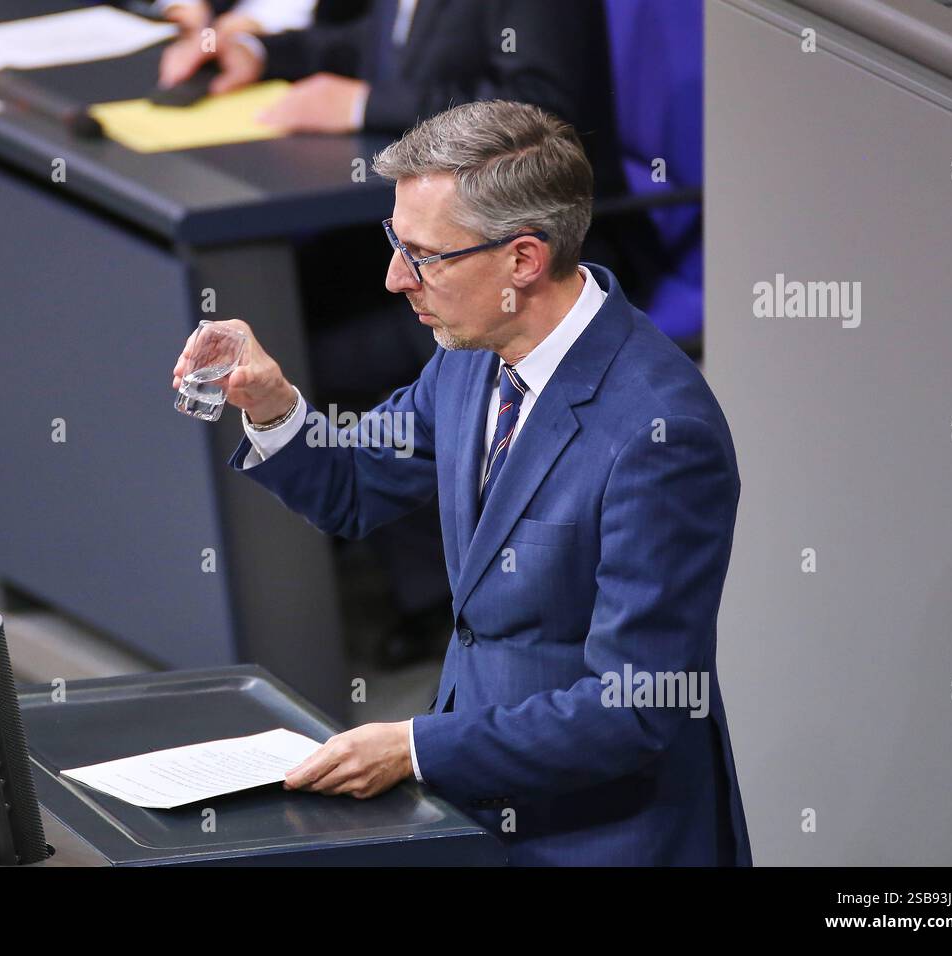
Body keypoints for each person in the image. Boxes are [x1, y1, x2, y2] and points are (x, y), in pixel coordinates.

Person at [169, 100, 750, 866]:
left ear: (523, 261)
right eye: (394, 242)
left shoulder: (660, 437)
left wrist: (416, 747)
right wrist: (274, 406)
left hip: (607, 839)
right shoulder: (469, 356)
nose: (393, 278)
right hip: (477, 816)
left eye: (424, 255)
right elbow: (355, 487)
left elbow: (634, 708)